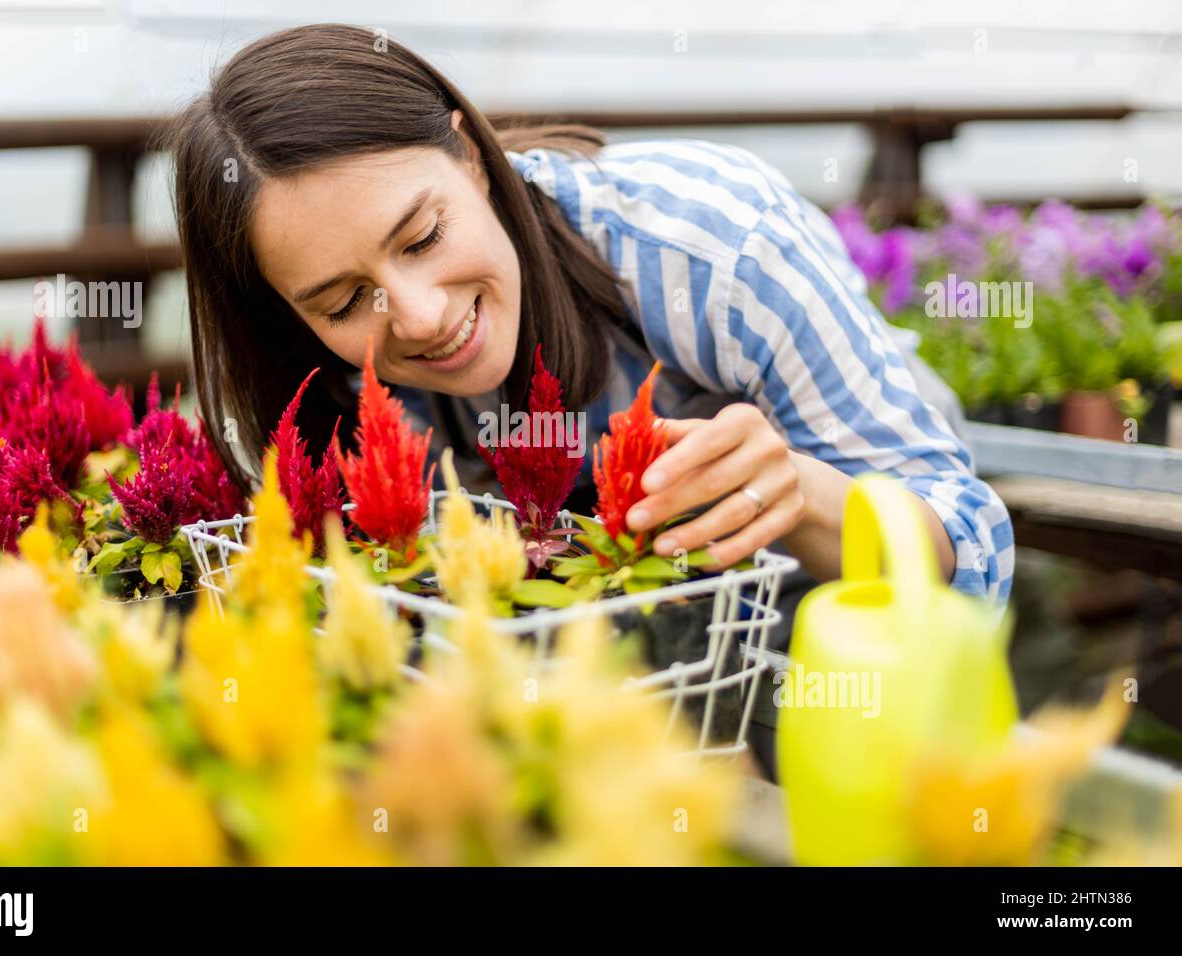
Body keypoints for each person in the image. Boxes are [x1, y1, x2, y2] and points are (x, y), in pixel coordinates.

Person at [166, 22, 1014, 614]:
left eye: (423, 236)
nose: (418, 318)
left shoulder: (711, 244)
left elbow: (971, 553)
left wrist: (799, 494)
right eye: (345, 302)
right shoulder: (338, 381)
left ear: (471, 159)